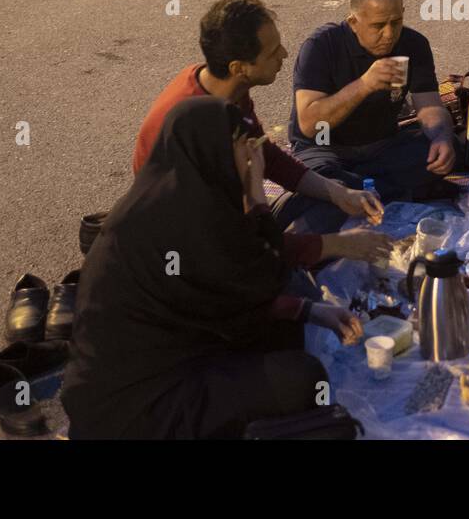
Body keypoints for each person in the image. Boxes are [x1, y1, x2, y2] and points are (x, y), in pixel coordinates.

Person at [64, 98, 368, 439]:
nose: (255, 158)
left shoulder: (179, 193)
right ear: (210, 150)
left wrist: (308, 310)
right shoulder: (184, 219)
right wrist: (256, 195)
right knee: (303, 379)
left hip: (173, 353)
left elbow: (236, 292)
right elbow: (267, 274)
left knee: (286, 332)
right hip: (137, 408)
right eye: (244, 148)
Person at [132, 0, 395, 245]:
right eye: (272, 52)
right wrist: (332, 246)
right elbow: (227, 243)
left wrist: (338, 193)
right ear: (239, 68)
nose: (284, 53)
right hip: (185, 239)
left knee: (331, 198)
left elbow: (266, 154)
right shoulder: (200, 129)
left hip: (222, 218)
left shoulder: (225, 88)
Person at [287, 0, 456, 204]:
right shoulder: (322, 45)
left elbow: (429, 106)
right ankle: (380, 189)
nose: (388, 34)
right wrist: (364, 85)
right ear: (353, 22)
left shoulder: (413, 43)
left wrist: (442, 137)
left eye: (395, 22)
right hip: (325, 145)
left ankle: (364, 189)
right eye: (378, 26)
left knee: (448, 149)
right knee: (320, 178)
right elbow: (310, 124)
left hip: (380, 145)